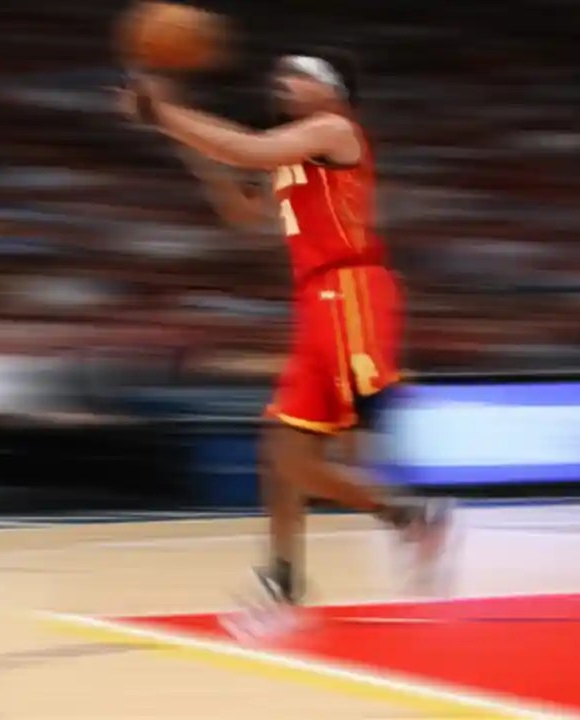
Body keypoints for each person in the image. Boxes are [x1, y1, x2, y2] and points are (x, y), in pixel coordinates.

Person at [120, 50, 453, 610]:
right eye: (283, 74)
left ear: (333, 90)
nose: (284, 82)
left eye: (299, 74)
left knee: (328, 446)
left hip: (352, 291)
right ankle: (304, 566)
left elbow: (244, 147)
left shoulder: (334, 128)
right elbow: (243, 212)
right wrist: (187, 142)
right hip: (316, 300)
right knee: (281, 451)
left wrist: (166, 112)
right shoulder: (290, 154)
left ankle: (396, 500)